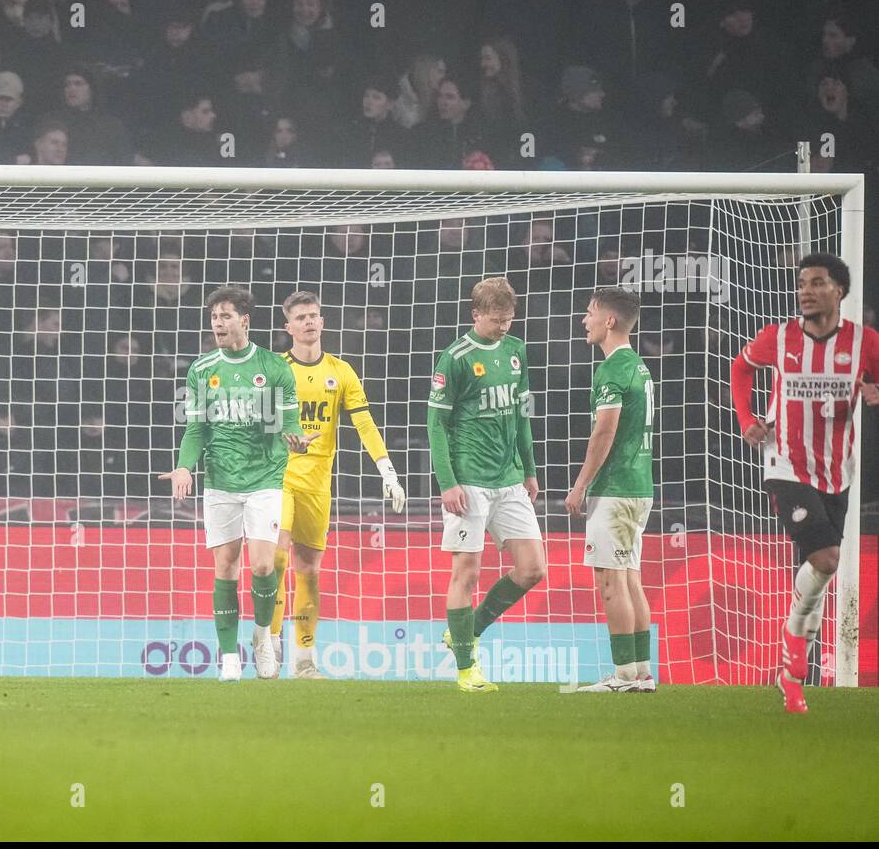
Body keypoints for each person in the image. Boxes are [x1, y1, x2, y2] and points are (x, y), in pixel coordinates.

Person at [729, 253, 879, 713]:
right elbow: (740, 366)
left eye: (817, 283)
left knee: (823, 570)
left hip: (838, 470)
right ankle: (795, 647)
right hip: (785, 463)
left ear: (839, 290)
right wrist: (746, 418)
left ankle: (792, 677)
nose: (806, 291)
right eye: (801, 283)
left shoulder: (864, 342)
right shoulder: (779, 337)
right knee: (827, 557)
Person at [159, 285, 304, 682]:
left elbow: (288, 421)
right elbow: (196, 430)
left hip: (264, 477)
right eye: (214, 317)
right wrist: (185, 467)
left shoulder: (274, 367)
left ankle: (262, 638)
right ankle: (228, 658)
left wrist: (295, 436)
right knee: (225, 567)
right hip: (221, 481)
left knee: (261, 565)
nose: (218, 324)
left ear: (245, 320)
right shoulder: (203, 369)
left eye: (225, 316)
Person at [268, 291, 405, 678]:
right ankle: (271, 646)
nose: (309, 322)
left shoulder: (341, 371)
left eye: (314, 316)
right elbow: (259, 424)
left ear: (322, 322)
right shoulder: (276, 368)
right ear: (288, 327)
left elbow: (364, 424)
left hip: (317, 484)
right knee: (276, 560)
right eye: (301, 317)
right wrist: (282, 436)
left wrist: (387, 471)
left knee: (308, 569)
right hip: (278, 478)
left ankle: (305, 659)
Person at [427, 277, 545, 692]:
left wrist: (529, 470)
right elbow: (436, 425)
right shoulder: (455, 358)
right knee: (467, 572)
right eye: (497, 319)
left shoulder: (516, 352)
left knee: (533, 569)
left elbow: (521, 416)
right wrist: (448, 483)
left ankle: (467, 630)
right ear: (476, 315)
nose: (504, 327)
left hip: (510, 478)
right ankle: (466, 669)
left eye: (509, 319)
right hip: (469, 483)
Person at [564, 287, 657, 692]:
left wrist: (580, 486)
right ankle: (640, 673)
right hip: (640, 486)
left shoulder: (613, 369)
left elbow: (605, 431)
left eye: (589, 313)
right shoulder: (638, 366)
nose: (584, 320)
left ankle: (622, 675)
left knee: (610, 581)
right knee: (630, 579)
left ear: (610, 321)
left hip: (616, 487)